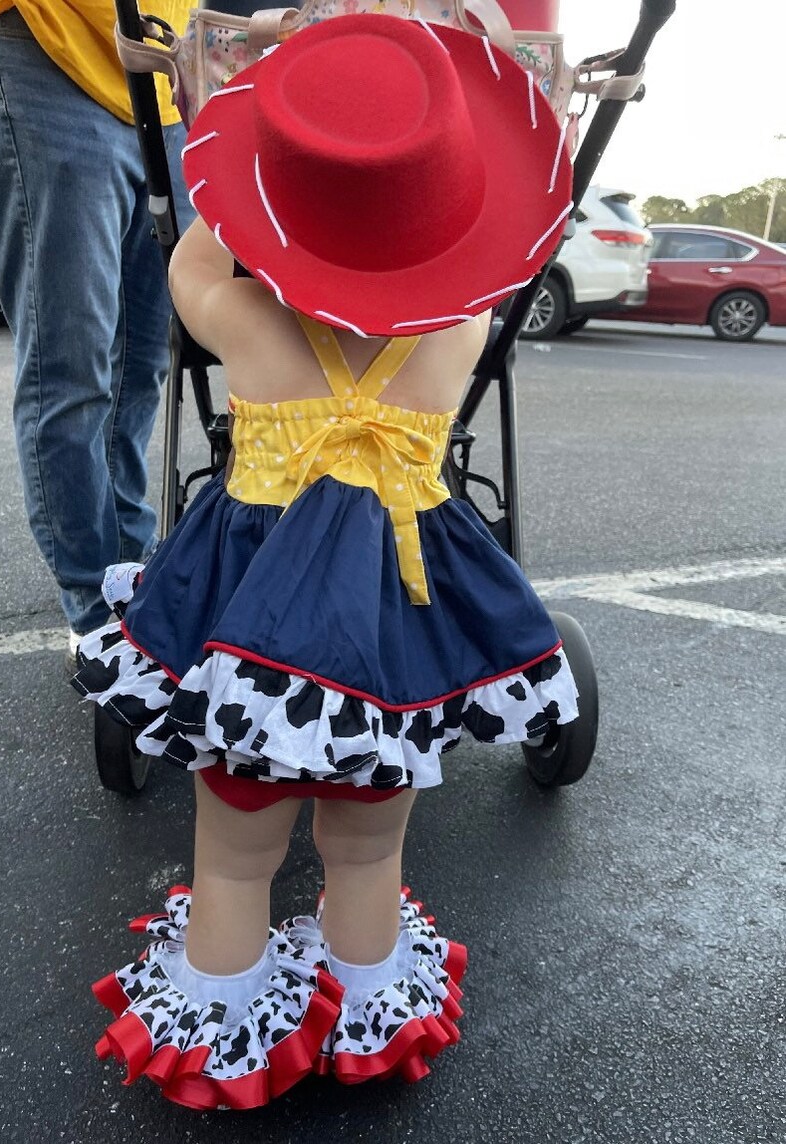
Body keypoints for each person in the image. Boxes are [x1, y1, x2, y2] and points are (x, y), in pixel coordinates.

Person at [73, 13, 579, 1111]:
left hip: (248, 641)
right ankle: (364, 1021)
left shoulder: (243, 320)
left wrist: (247, 145)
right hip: (391, 645)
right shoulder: (451, 337)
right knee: (363, 855)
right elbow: (497, 248)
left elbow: (197, 248)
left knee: (234, 855)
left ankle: (219, 1025)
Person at [0, 0, 193, 668]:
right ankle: (93, 608)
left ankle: (130, 567)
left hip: (164, 73)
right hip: (50, 47)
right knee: (70, 367)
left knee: (144, 363)